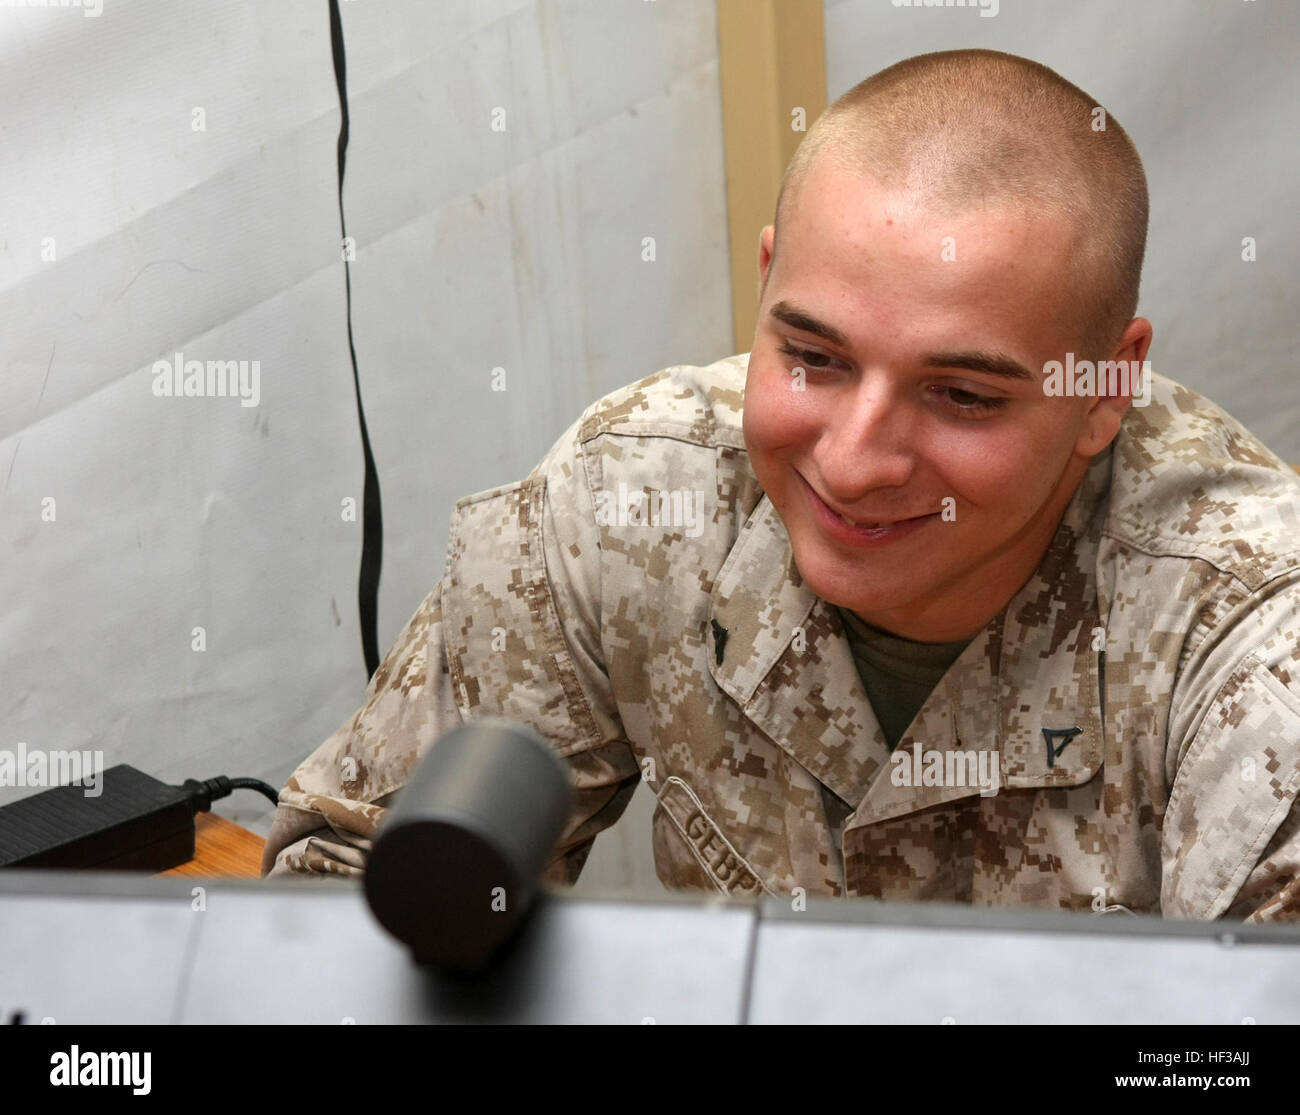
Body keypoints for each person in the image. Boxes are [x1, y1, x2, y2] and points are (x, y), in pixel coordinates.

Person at [261, 49, 1300, 921]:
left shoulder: (1251, 635)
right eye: (815, 356)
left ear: (1104, 388)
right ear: (765, 284)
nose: (850, 461)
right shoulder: (637, 503)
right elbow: (344, 899)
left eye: (961, 396)